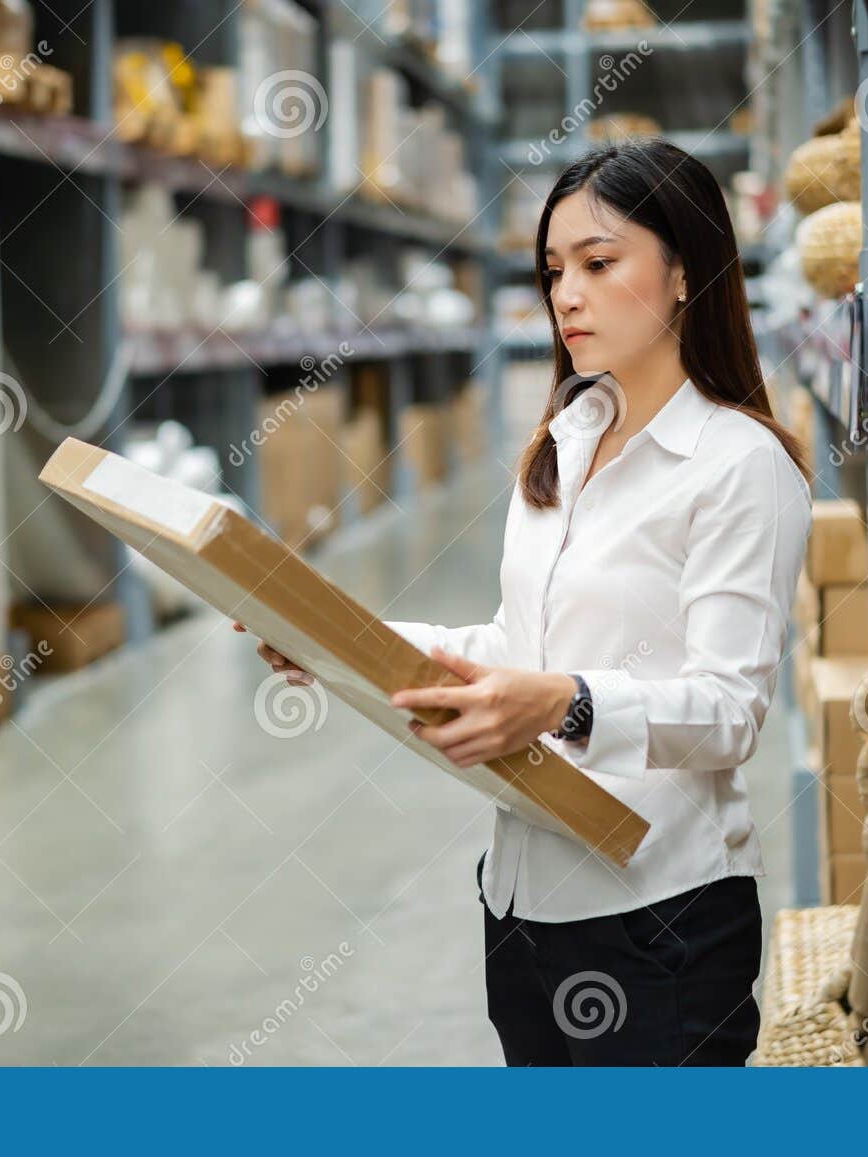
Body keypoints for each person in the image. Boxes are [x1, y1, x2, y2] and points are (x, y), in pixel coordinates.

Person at [238, 138, 812, 1066]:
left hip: (657, 918)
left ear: (683, 274)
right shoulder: (570, 439)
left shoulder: (739, 467)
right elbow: (521, 640)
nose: (566, 295)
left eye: (599, 262)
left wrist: (566, 703)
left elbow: (731, 710)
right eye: (553, 271)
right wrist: (340, 638)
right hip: (522, 900)